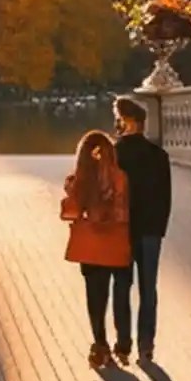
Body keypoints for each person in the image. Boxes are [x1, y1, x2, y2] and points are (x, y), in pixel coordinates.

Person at [61, 130, 133, 368]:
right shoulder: (120, 177)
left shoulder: (79, 180)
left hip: (90, 246)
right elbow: (123, 213)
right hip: (116, 243)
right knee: (120, 296)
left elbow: (70, 212)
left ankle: (100, 344)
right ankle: (122, 343)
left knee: (95, 298)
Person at [112, 96, 172, 364]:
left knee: (121, 286)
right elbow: (165, 198)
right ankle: (146, 346)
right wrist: (159, 229)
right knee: (149, 289)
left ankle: (123, 344)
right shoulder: (159, 156)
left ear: (126, 121)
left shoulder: (114, 154)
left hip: (122, 229)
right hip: (150, 231)